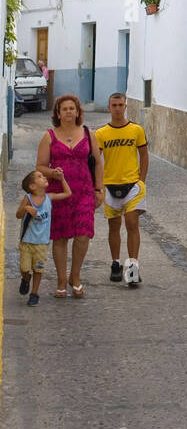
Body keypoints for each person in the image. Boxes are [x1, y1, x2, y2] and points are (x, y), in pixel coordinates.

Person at [36, 93, 104, 299]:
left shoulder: (88, 133)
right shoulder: (49, 135)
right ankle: (61, 280)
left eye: (71, 108)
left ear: (77, 112)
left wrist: (99, 189)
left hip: (84, 191)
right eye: (64, 109)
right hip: (59, 192)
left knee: (83, 234)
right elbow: (39, 166)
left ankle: (76, 276)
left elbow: (98, 162)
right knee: (61, 236)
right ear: (58, 113)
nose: (68, 112)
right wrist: (52, 173)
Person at [95, 92, 148, 286]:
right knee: (114, 226)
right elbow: (96, 161)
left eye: (120, 105)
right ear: (109, 108)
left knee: (132, 223)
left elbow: (144, 154)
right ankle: (115, 264)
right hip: (110, 185)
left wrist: (141, 180)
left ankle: (133, 268)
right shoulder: (101, 134)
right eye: (114, 105)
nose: (117, 108)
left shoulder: (136, 130)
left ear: (126, 107)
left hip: (132, 185)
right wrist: (98, 185)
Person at [17, 168, 72, 305]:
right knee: (24, 268)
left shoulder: (49, 197)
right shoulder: (27, 199)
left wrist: (62, 179)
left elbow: (68, 193)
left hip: (42, 242)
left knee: (38, 269)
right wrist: (25, 209)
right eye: (40, 177)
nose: (44, 177)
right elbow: (18, 215)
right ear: (32, 186)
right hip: (27, 241)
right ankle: (25, 278)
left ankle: (34, 294)